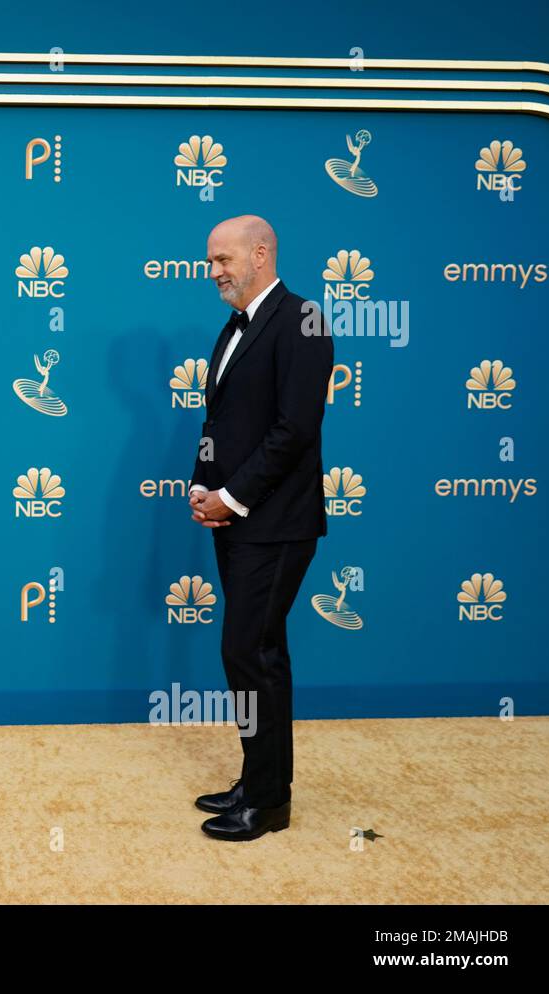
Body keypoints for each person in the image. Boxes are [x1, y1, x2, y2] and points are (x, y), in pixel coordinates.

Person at [187, 215, 332, 842]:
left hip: (275, 523)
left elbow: (294, 431)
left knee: (254, 654)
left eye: (223, 259)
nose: (213, 271)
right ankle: (257, 780)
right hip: (239, 519)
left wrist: (232, 497)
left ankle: (270, 803)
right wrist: (201, 483)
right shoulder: (235, 326)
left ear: (261, 253)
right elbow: (227, 416)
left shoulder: (305, 320)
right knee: (250, 653)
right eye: (211, 261)